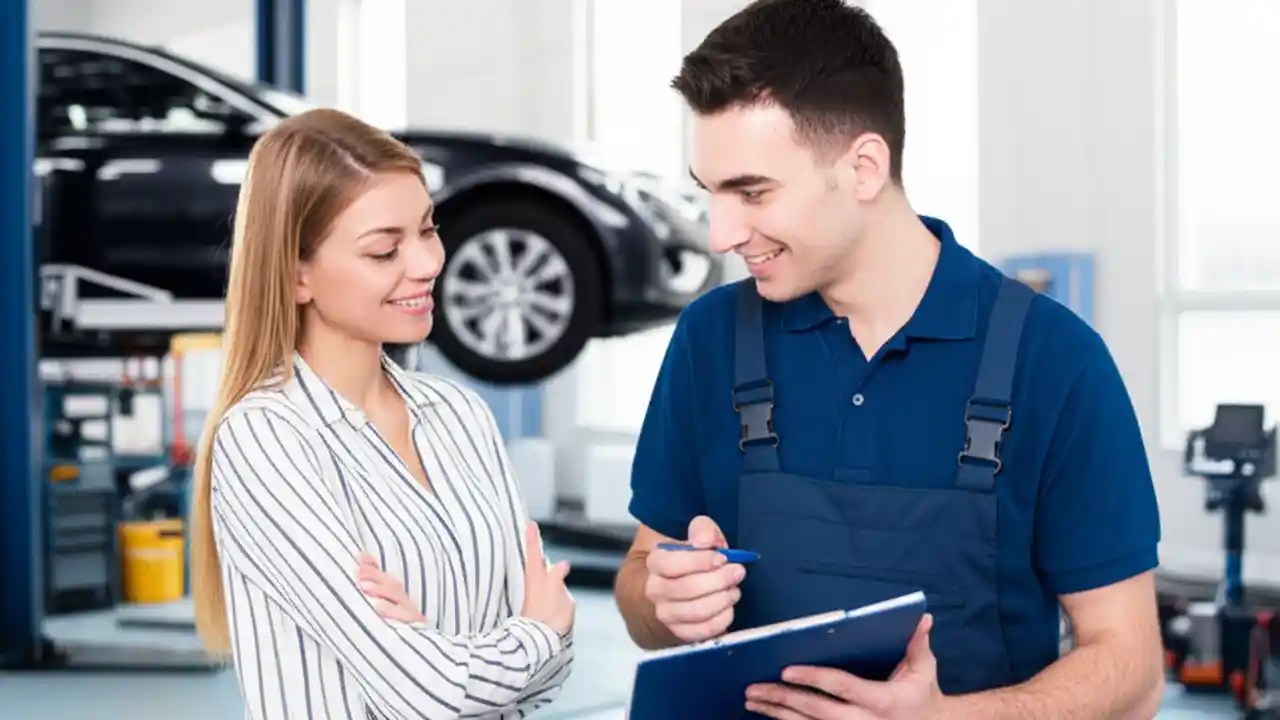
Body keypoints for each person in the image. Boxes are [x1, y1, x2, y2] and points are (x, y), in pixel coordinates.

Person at [613, 1, 1165, 718]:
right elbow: (638, 586)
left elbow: (1132, 665)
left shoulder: (1054, 359)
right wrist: (668, 602)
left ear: (865, 167)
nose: (720, 233)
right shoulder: (709, 339)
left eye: (752, 192)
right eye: (708, 191)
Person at [189, 108, 575, 720]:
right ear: (296, 277)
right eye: (384, 250)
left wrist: (453, 656)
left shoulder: (460, 415)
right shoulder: (266, 440)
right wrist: (531, 634)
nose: (426, 263)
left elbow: (551, 669)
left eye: (427, 230)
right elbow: (432, 691)